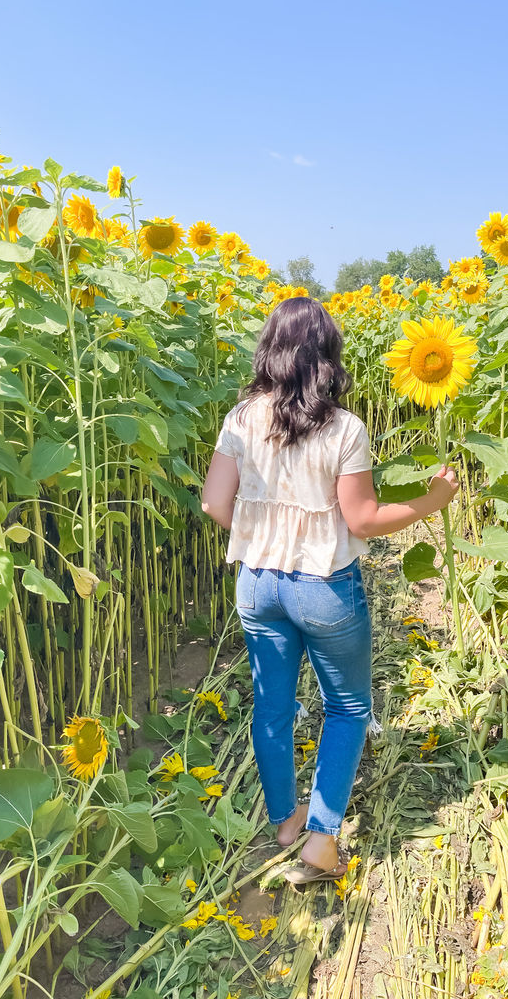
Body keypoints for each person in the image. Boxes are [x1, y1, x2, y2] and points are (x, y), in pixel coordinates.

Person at [201, 297, 458, 883]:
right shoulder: (343, 427)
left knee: (271, 707)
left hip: (257, 584)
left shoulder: (241, 418)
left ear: (270, 350)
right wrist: (432, 501)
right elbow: (363, 519)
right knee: (346, 708)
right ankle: (320, 843)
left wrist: (260, 538)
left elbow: (215, 503)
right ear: (327, 356)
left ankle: (285, 822)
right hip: (324, 587)